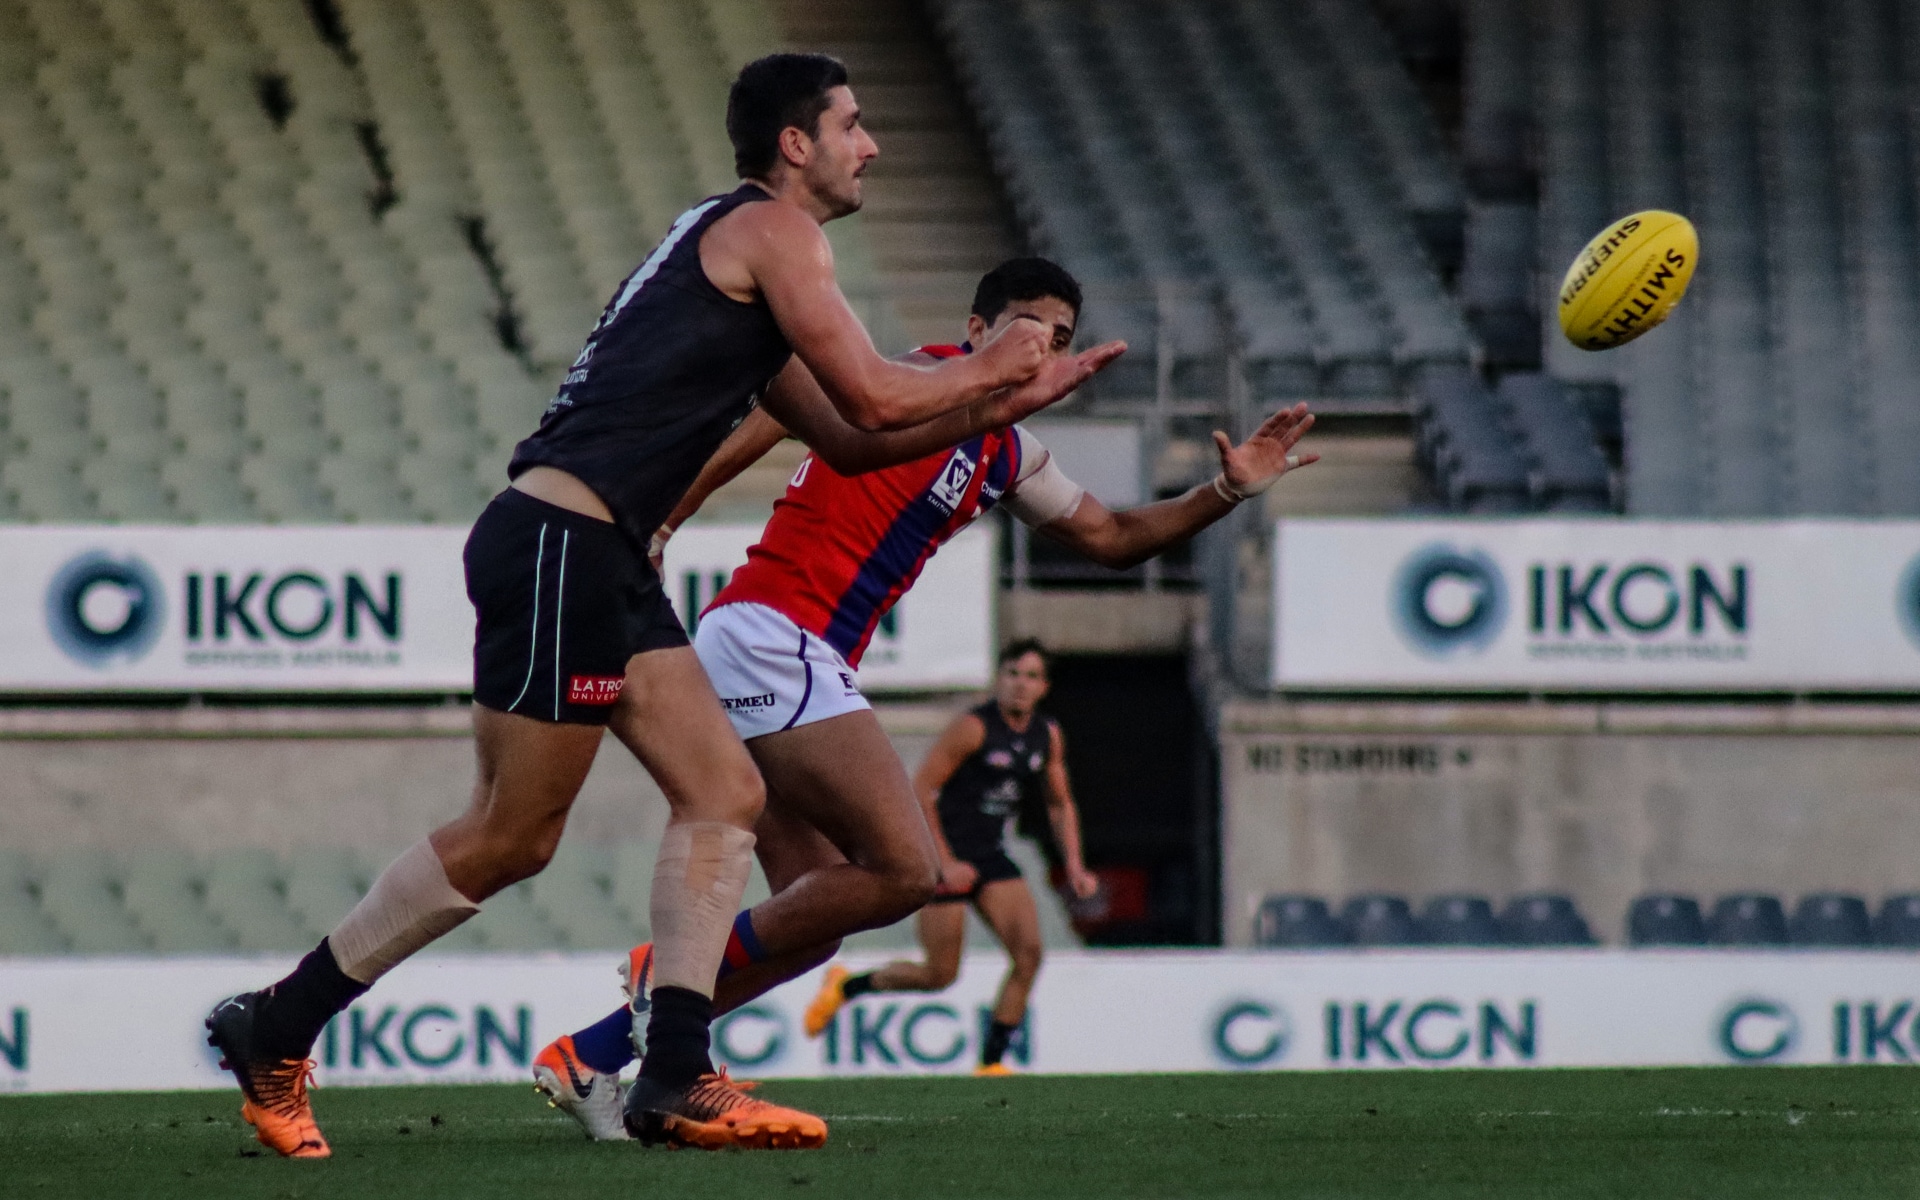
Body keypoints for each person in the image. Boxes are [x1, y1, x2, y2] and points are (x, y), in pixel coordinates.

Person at [203, 54, 1120, 1160]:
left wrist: (999, 402)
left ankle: (674, 1073)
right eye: (852, 125)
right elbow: (880, 396)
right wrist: (1000, 373)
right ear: (796, 144)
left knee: (723, 792)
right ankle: (278, 1024)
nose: (871, 145)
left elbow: (849, 438)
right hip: (566, 544)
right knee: (510, 837)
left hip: (594, 551)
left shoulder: (731, 247)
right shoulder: (777, 233)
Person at [531, 256, 1318, 1139]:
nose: (1043, 348)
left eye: (1060, 339)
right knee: (909, 870)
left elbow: (1111, 537)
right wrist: (667, 514)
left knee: (814, 920)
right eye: (1027, 328)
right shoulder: (913, 378)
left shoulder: (1008, 448)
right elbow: (776, 410)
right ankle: (666, 976)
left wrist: (1225, 491)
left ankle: (594, 1053)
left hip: (772, 647)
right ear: (977, 331)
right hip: (773, 636)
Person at [803, 638, 1091, 1075]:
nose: (1020, 684)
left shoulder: (1046, 735)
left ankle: (990, 1065)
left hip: (990, 856)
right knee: (939, 974)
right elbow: (921, 789)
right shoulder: (974, 727)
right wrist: (944, 861)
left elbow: (1059, 803)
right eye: (1012, 673)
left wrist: (1075, 866)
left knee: (1029, 954)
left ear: (1044, 687)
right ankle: (848, 985)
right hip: (944, 856)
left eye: (1031, 677)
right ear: (999, 679)